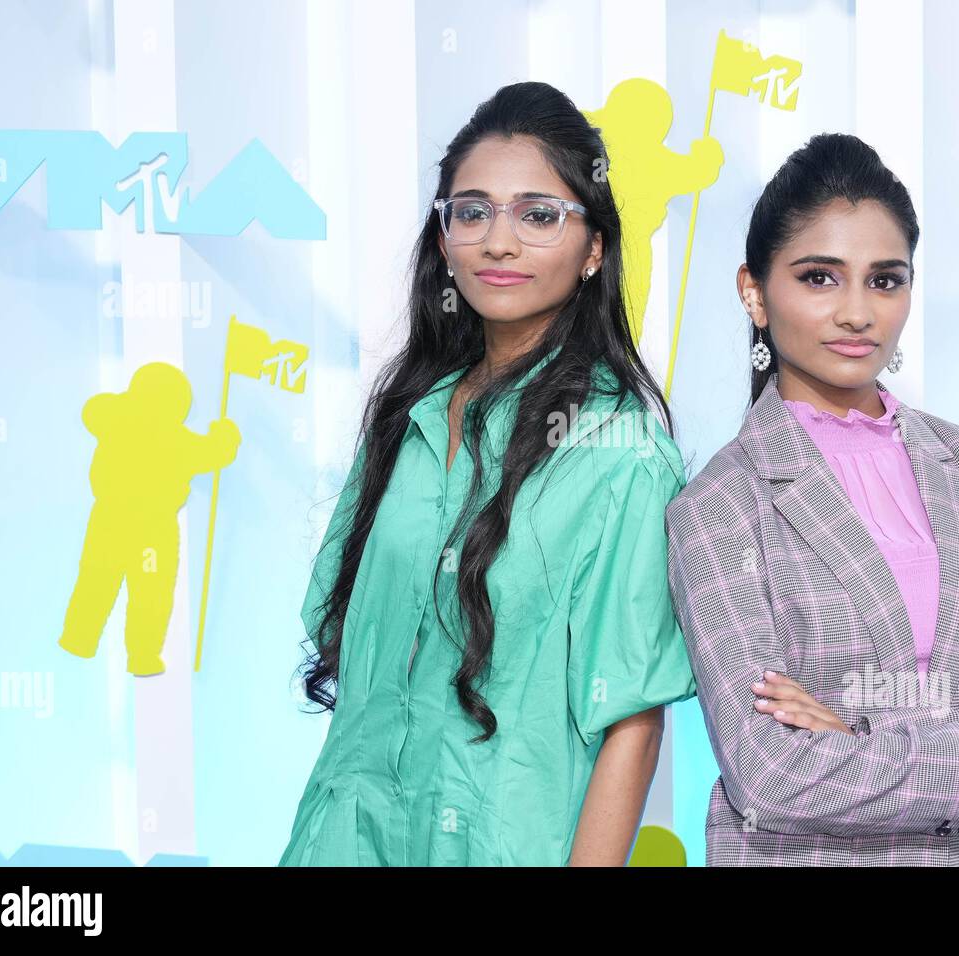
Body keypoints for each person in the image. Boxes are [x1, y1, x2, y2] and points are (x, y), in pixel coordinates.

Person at [279, 81, 695, 867]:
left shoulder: (622, 456)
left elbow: (631, 725)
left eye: (539, 215)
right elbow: (350, 646)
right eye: (471, 212)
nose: (498, 242)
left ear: (594, 248)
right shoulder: (407, 417)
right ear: (444, 240)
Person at [664, 132, 959, 866]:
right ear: (754, 291)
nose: (858, 313)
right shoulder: (718, 505)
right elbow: (772, 773)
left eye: (885, 280)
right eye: (819, 278)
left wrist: (851, 734)